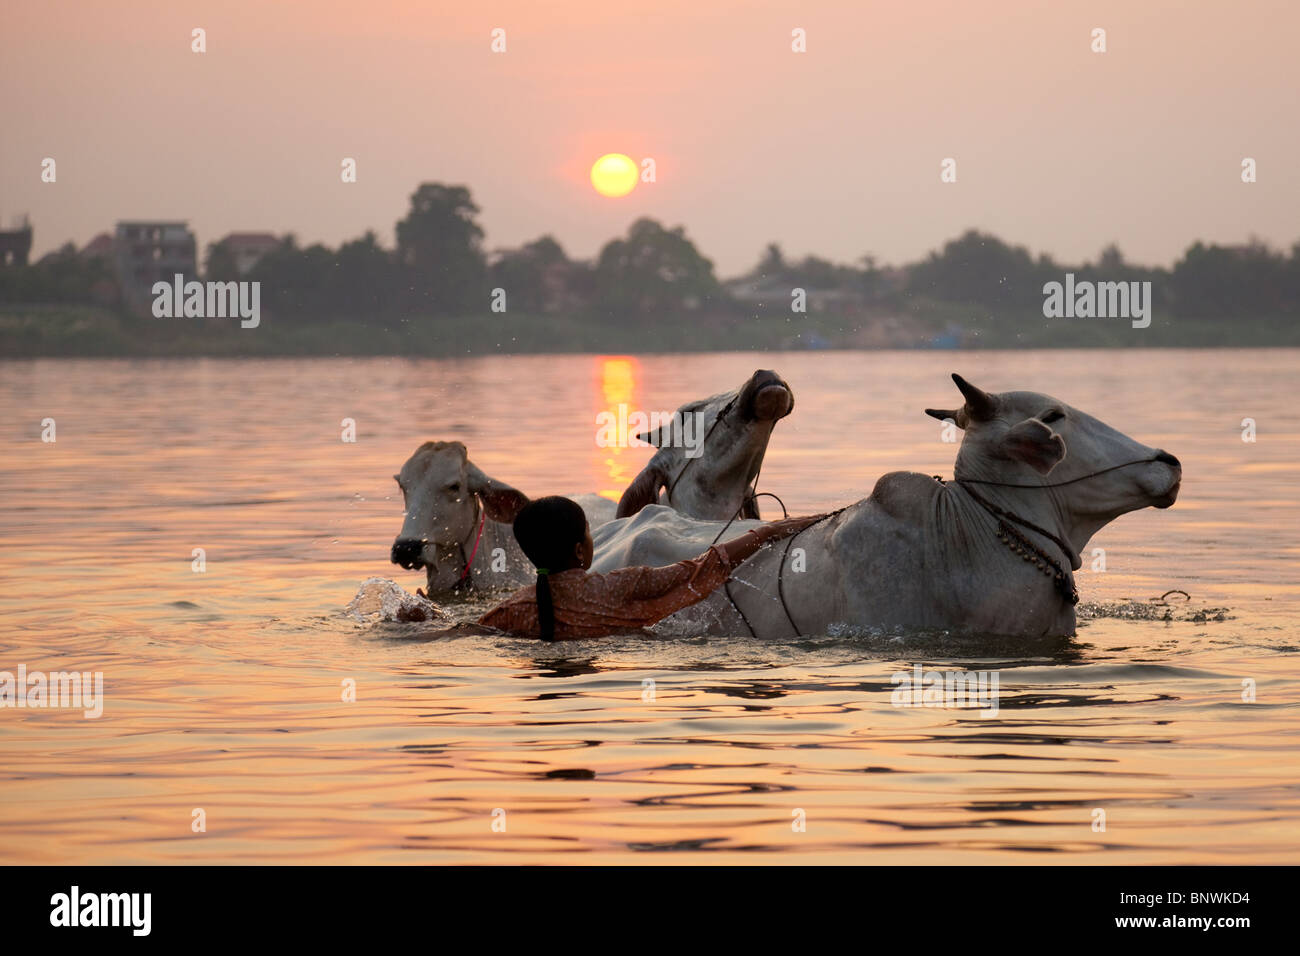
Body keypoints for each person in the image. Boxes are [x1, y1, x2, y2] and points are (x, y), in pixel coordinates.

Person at [478, 495, 826, 640]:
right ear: (579, 550)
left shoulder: (512, 610)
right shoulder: (617, 586)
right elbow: (702, 567)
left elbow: (466, 633)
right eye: (588, 530)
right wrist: (766, 532)